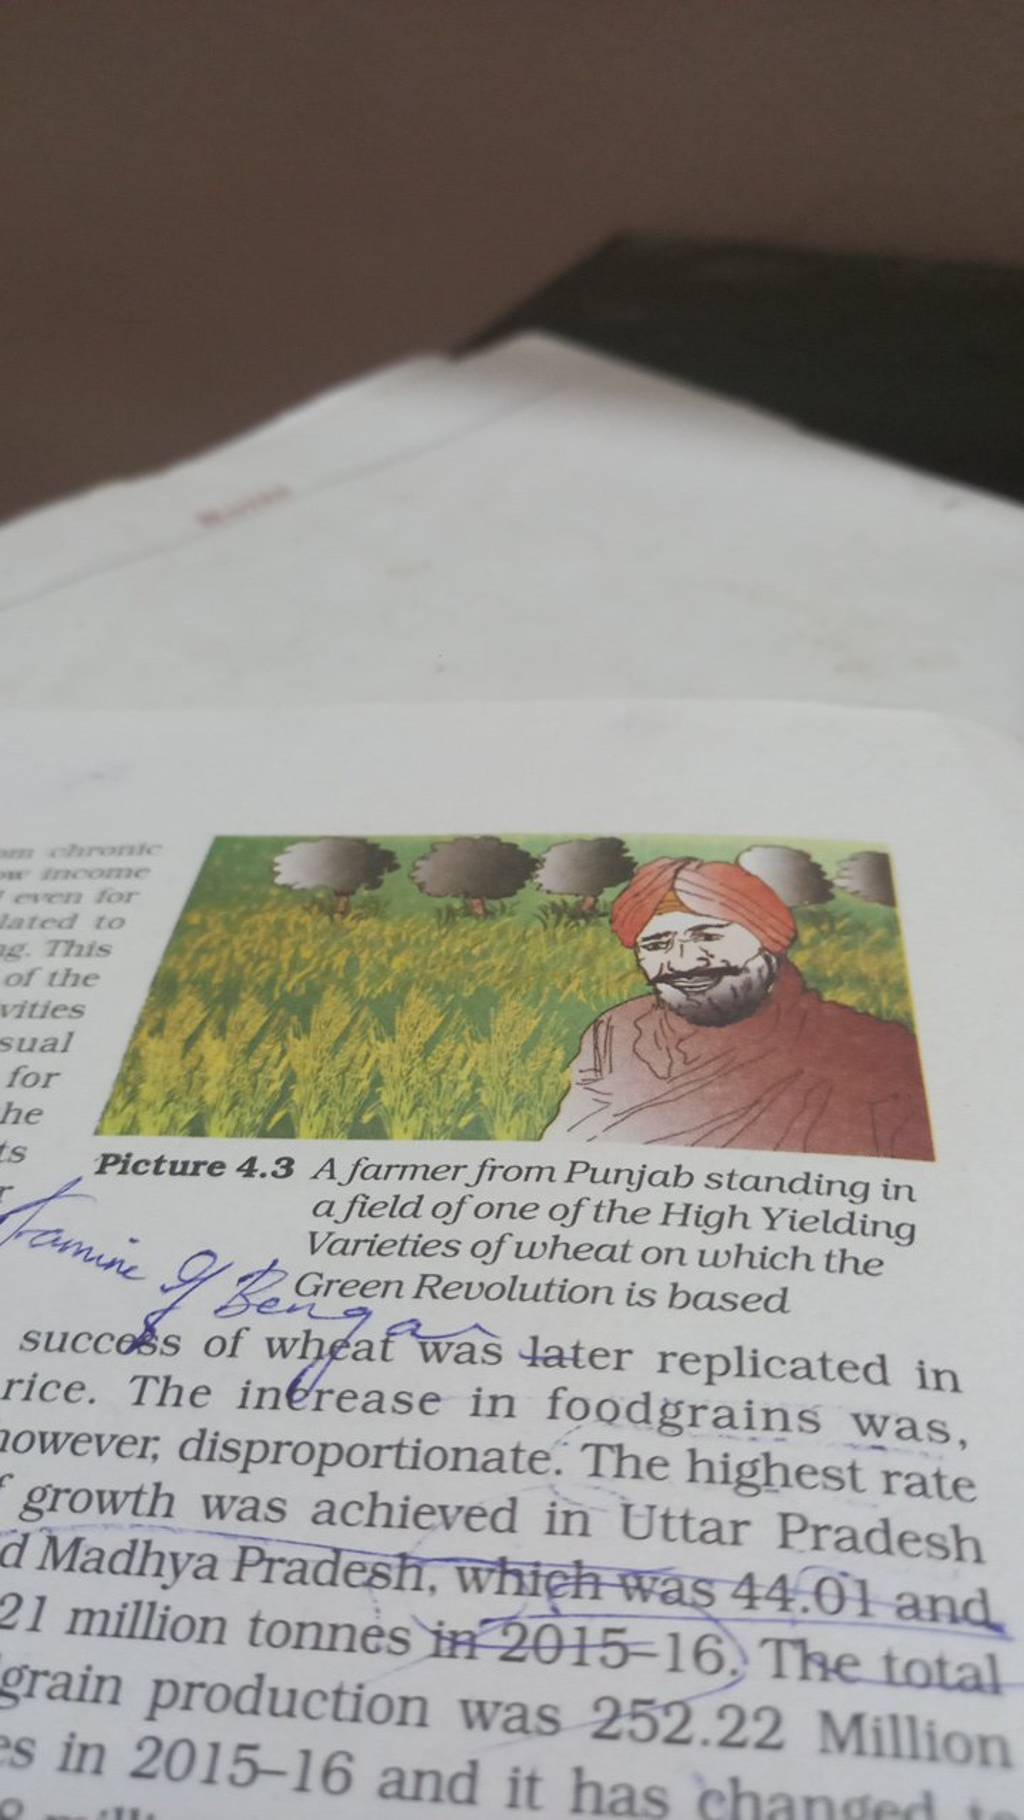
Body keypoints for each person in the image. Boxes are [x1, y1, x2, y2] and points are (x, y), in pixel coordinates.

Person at [543, 857, 933, 1159]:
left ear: (768, 942)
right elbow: (565, 1144)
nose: (683, 961)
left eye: (708, 936)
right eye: (657, 945)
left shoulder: (876, 1051)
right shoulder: (619, 1031)